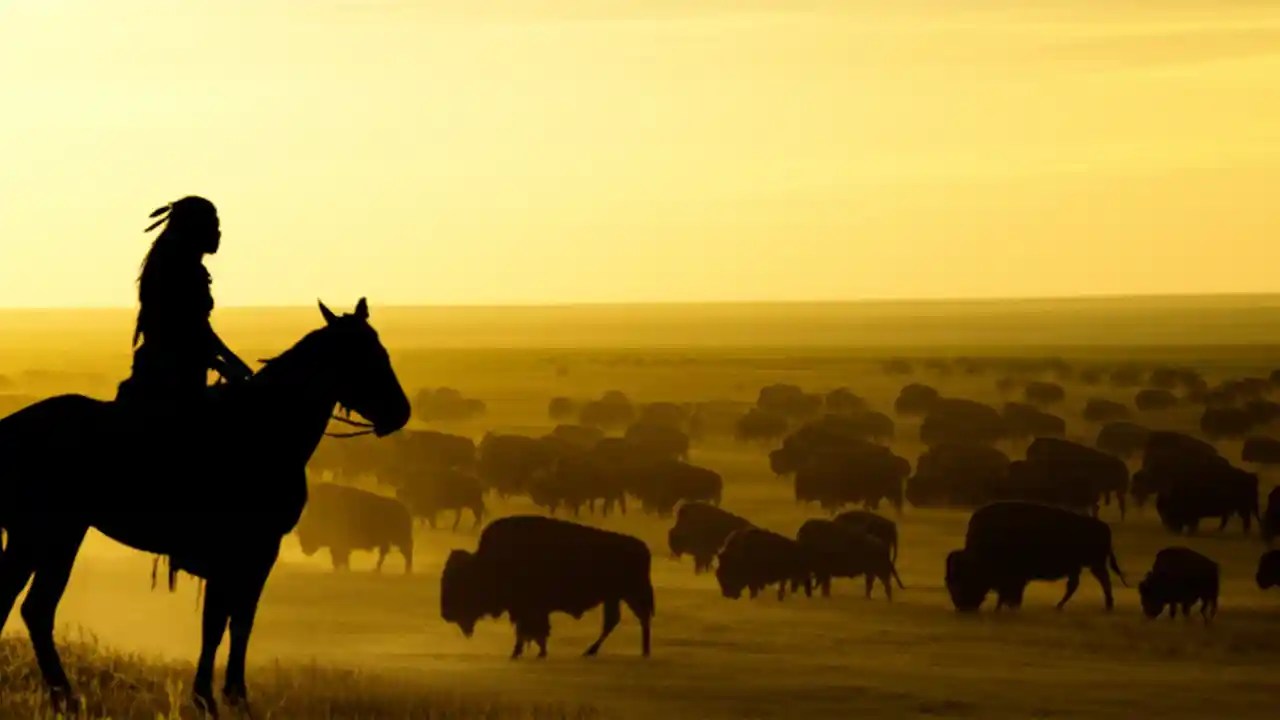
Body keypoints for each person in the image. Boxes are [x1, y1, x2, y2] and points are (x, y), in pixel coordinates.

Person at [115, 196, 253, 424]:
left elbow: (199, 327)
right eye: (213, 226)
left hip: (169, 368)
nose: (218, 233)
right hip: (172, 375)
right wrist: (224, 364)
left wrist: (231, 361)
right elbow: (187, 329)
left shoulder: (177, 266)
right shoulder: (180, 270)